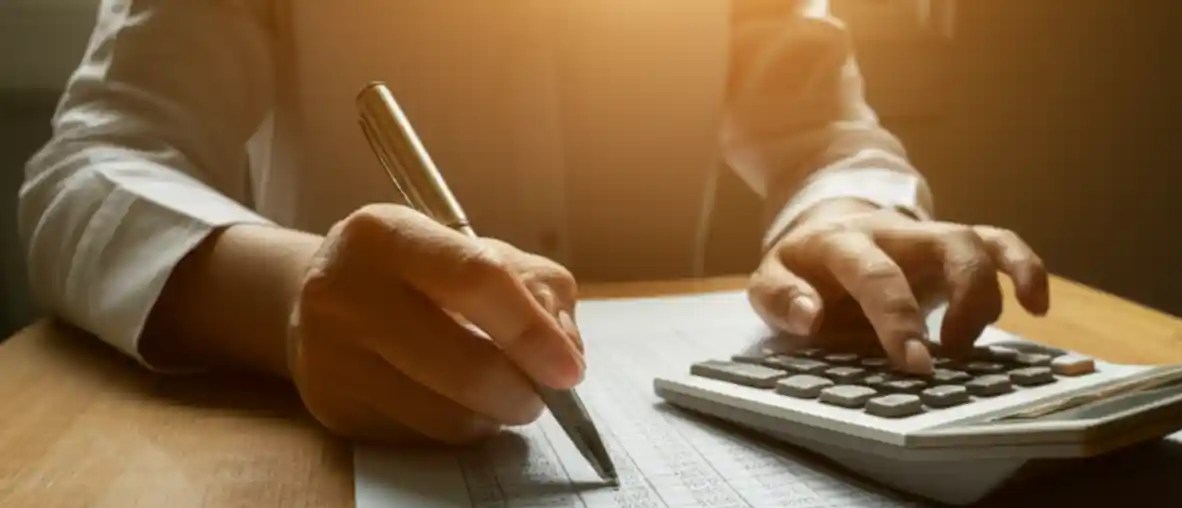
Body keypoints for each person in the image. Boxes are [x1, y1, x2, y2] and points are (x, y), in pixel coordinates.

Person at [19, 0, 1048, 445]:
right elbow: (91, 167)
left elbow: (820, 125)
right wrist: (289, 297)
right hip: (328, 474)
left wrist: (846, 211)